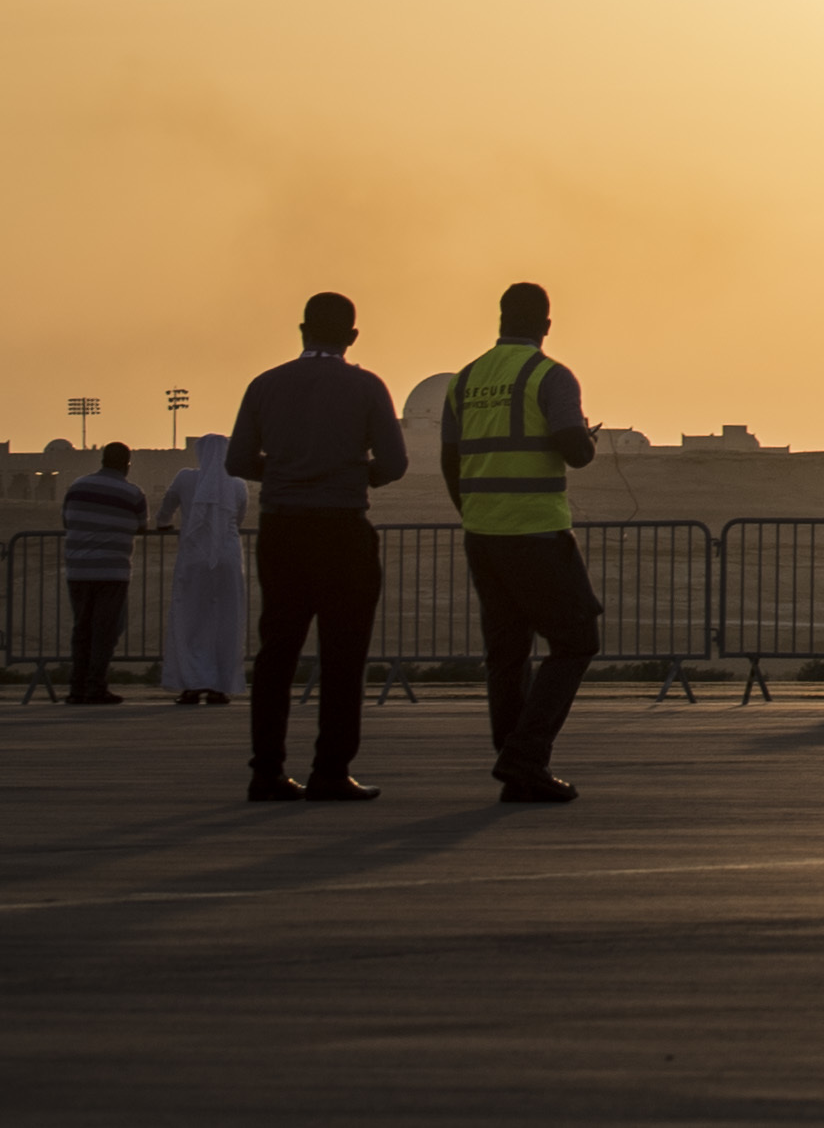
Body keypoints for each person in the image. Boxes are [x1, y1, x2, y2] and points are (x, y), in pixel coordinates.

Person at [223, 292, 406, 800]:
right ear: (352, 337)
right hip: (342, 526)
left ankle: (267, 770)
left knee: (277, 651)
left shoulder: (265, 385)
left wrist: (284, 473)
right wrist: (352, 475)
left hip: (283, 526)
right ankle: (331, 769)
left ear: (302, 330)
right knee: (345, 654)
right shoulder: (367, 387)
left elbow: (237, 460)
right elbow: (393, 463)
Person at [445, 281, 603, 803]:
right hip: (536, 529)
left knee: (507, 652)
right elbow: (572, 449)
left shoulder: (465, 379)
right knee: (576, 640)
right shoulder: (551, 376)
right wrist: (586, 438)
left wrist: (472, 510)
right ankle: (525, 755)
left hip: (483, 533)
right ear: (547, 324)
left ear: (500, 319)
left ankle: (513, 763)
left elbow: (451, 458)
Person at [157, 432, 250, 706]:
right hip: (229, 557)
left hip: (194, 557)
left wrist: (164, 525)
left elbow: (166, 510)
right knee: (226, 619)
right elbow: (239, 517)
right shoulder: (237, 484)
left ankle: (193, 683)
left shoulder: (185, 478)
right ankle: (220, 686)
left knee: (191, 620)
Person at [60, 444, 148, 706]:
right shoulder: (133, 493)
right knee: (106, 630)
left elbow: (66, 519)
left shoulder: (77, 486)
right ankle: (96, 686)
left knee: (82, 628)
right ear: (127, 465)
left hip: (78, 569)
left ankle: (77, 687)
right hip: (112, 571)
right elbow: (142, 526)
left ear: (102, 460)